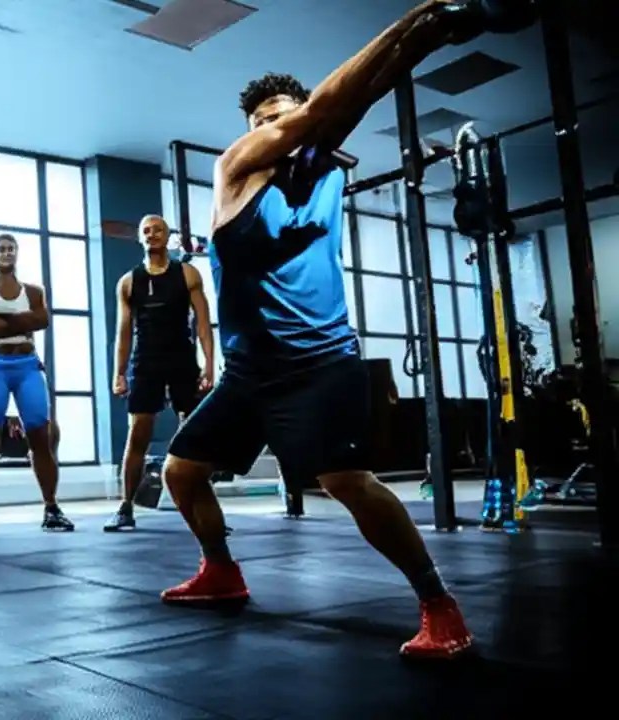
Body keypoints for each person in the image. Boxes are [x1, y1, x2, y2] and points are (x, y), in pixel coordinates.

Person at [156, 0, 534, 658]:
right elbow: (327, 108)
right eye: (264, 122)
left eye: (284, 117)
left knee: (346, 482)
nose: (276, 129)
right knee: (182, 472)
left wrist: (435, 26)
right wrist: (430, 14)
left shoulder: (324, 166)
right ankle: (221, 569)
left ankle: (437, 604)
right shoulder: (236, 170)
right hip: (249, 371)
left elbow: (345, 106)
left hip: (320, 362)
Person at [105, 215, 214, 532]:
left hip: (181, 357)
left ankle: (203, 508)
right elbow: (123, 332)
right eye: (147, 231)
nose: (152, 235)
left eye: (158, 230)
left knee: (192, 434)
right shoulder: (129, 282)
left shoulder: (187, 273)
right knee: (138, 432)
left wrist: (208, 364)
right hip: (146, 361)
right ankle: (126, 506)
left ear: (168, 237)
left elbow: (203, 324)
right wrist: (119, 373)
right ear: (140, 238)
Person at [0, 233, 74, 536]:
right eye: (1, 249)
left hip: (27, 365)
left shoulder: (34, 291)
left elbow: (43, 320)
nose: (7, 253)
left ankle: (51, 508)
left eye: (11, 249)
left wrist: (6, 318)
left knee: (42, 436)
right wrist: (22, 320)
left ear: (17, 254)